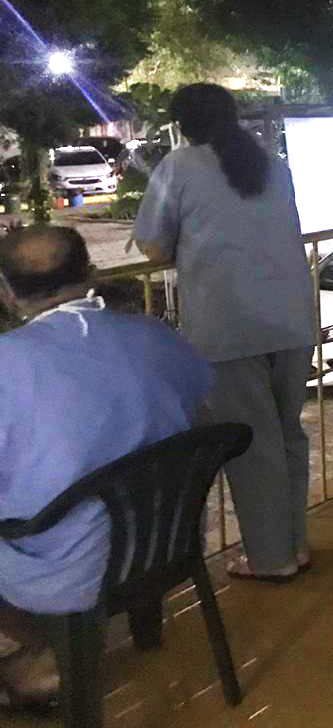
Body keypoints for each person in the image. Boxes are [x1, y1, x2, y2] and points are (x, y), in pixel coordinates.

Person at [0, 227, 210, 710]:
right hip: (168, 542)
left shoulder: (10, 363)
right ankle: (69, 649)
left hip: (71, 569)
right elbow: (198, 401)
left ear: (8, 293)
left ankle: (43, 655)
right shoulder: (156, 335)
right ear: (91, 275)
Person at [134, 83, 316, 583]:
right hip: (293, 317)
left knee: (254, 444)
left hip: (230, 324)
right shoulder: (272, 165)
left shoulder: (178, 166)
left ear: (182, 124)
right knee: (286, 435)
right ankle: (294, 544)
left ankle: (272, 558)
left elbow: (151, 246)